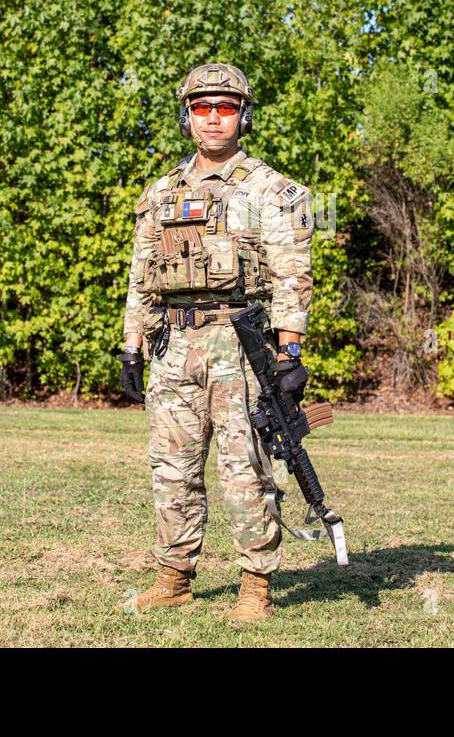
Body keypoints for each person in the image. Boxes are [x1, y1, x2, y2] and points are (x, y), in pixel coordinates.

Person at [116, 62, 313, 623]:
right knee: (171, 467)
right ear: (187, 117)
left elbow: (292, 276)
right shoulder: (160, 193)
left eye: (225, 108)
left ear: (242, 116)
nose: (213, 118)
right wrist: (132, 345)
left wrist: (289, 353)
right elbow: (141, 275)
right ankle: (174, 578)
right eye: (201, 108)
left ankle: (256, 586)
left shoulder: (273, 191)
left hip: (239, 345)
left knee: (244, 468)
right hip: (172, 346)